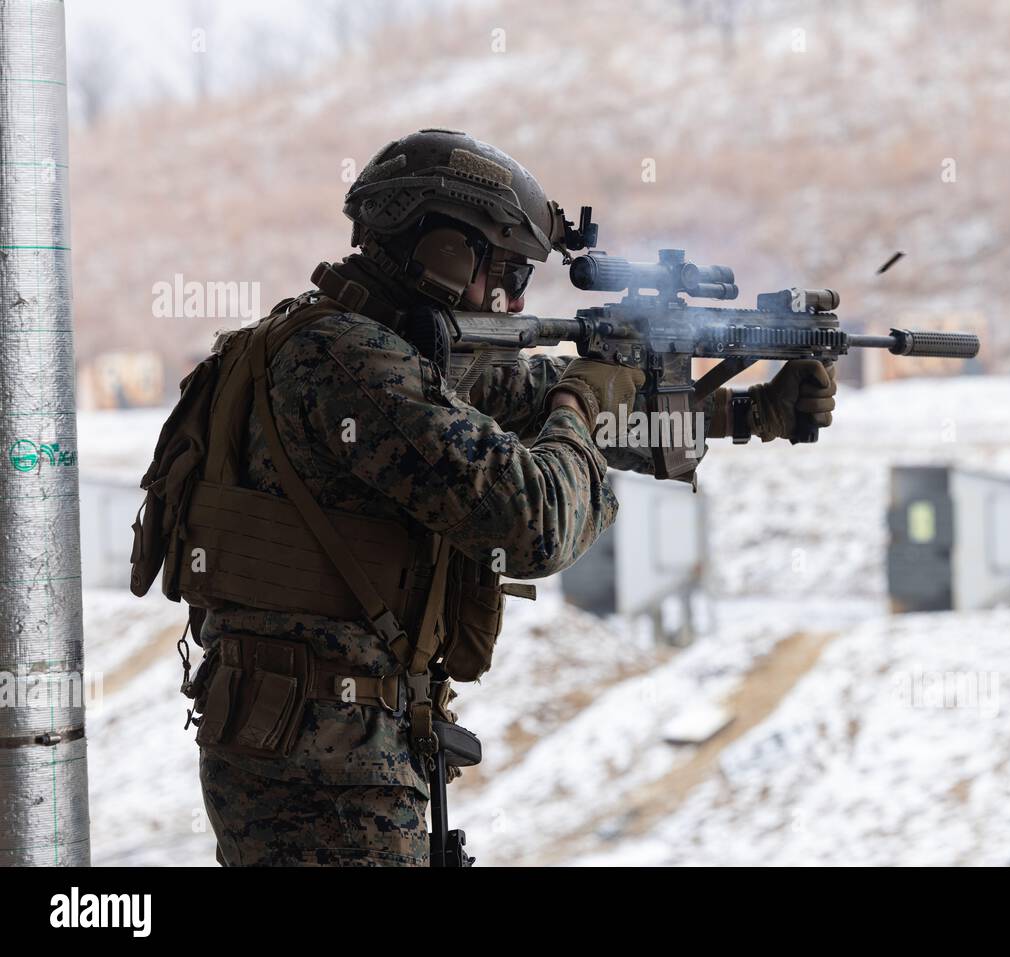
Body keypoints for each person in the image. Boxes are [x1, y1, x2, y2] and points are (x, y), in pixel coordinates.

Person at [166, 129, 835, 865]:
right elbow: (534, 520)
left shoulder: (332, 342)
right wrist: (583, 401)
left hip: (303, 746)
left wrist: (747, 411)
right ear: (446, 254)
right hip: (328, 776)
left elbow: (529, 398)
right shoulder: (354, 366)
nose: (516, 300)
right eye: (509, 271)